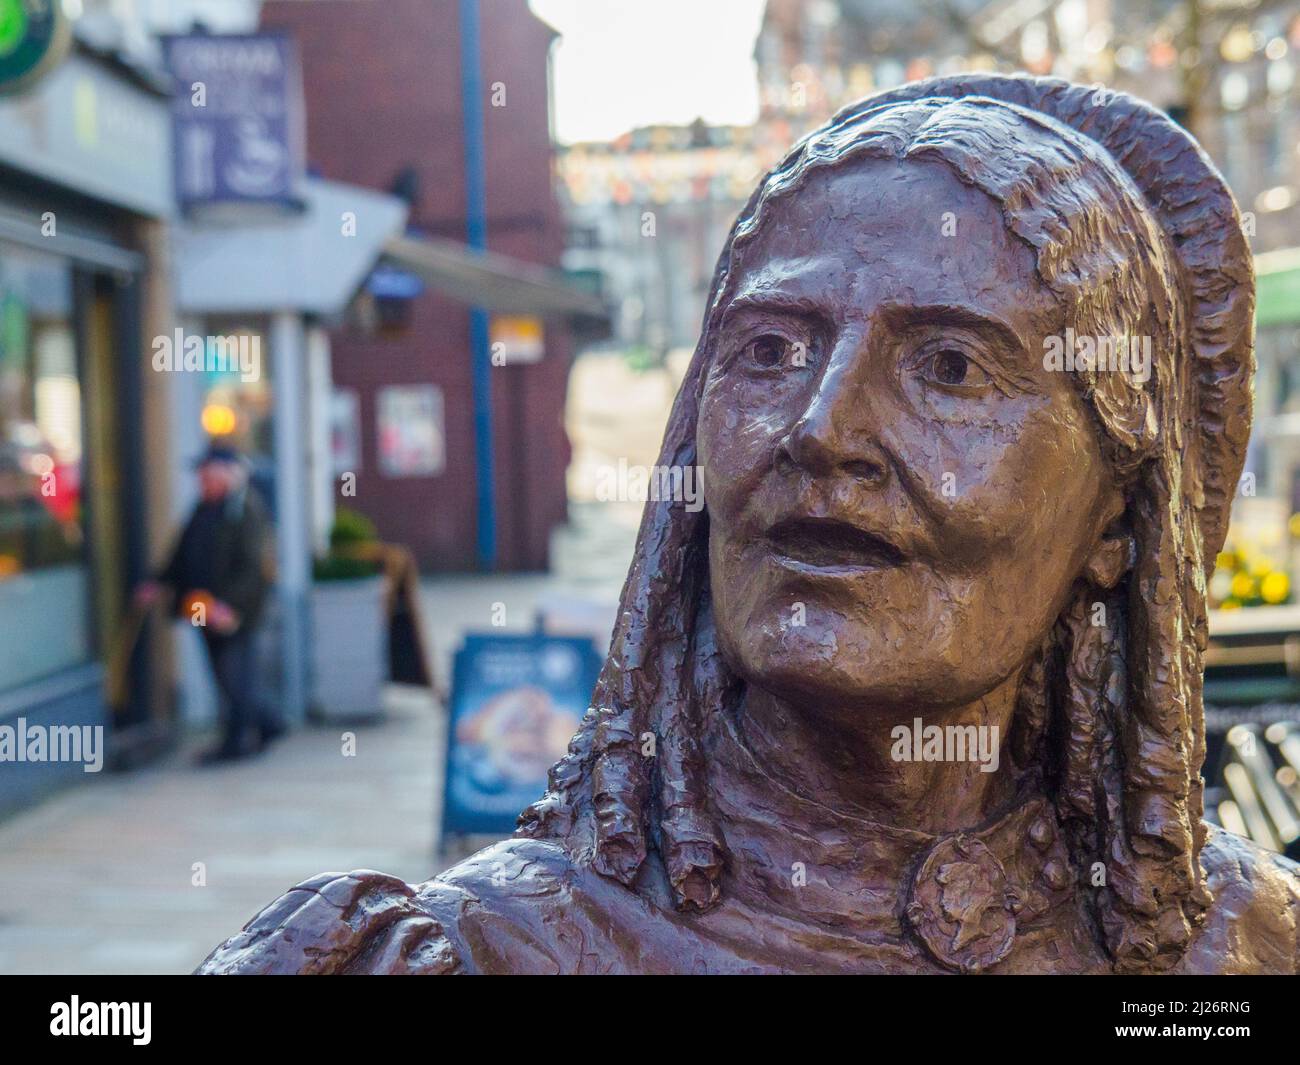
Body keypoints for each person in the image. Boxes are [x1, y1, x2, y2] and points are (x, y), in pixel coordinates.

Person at [197, 75, 1298, 974]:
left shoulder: (1242, 951)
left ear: (1115, 511)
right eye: (769, 350)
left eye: (950, 367)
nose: (820, 430)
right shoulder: (472, 959)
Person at [137, 442, 281, 764]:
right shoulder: (203, 508)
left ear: (228, 475)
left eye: (209, 475)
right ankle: (268, 724)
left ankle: (239, 740)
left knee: (235, 676)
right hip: (200, 607)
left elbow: (254, 568)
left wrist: (228, 605)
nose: (203, 481)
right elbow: (181, 552)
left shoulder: (246, 510)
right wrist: (158, 582)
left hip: (232, 611)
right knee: (221, 672)